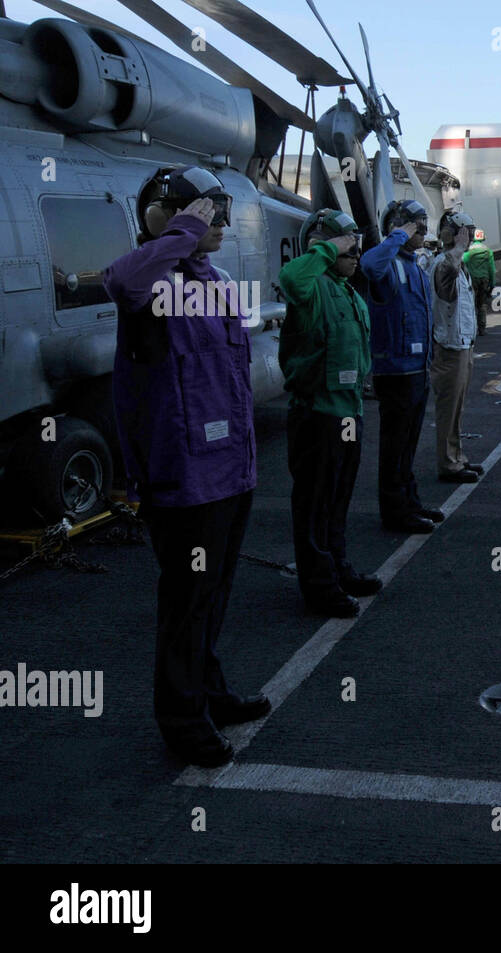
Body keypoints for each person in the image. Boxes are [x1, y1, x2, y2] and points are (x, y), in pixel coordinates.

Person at [104, 166, 269, 767]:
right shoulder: (149, 282)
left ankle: (210, 693)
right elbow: (121, 280)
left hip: (230, 469)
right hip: (184, 478)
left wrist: (249, 459)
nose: (220, 224)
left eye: (221, 212)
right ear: (164, 217)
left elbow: (230, 378)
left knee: (215, 595)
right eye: (208, 213)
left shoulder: (218, 280)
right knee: (185, 602)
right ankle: (182, 721)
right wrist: (176, 233)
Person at [278, 209, 383, 619]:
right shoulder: (312, 288)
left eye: (355, 245)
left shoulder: (349, 293)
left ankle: (338, 569)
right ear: (323, 245)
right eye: (346, 245)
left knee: (338, 501)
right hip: (316, 417)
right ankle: (319, 587)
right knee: (314, 505)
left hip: (347, 415)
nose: (355, 252)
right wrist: (327, 246)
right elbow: (291, 278)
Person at [360, 199, 444, 533]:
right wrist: (397, 235)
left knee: (408, 445)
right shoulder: (388, 262)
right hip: (395, 372)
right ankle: (395, 512)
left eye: (424, 224)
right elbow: (369, 265)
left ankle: (410, 502)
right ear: (398, 227)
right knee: (394, 448)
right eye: (416, 225)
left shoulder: (414, 265)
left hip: (417, 369)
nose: (423, 231)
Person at [430, 210, 485, 484]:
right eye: (465, 232)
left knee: (457, 409)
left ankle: (457, 457)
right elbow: (447, 273)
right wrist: (459, 248)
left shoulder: (459, 264)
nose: (470, 237)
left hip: (463, 345)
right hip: (449, 348)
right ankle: (448, 463)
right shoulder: (444, 263)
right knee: (448, 409)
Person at [463, 228, 497, 336]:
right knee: (481, 304)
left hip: (472, 280)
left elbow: (463, 263)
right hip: (484, 280)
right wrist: (492, 284)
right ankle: (482, 329)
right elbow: (491, 269)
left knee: (471, 304)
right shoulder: (488, 251)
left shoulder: (468, 251)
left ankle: (470, 328)